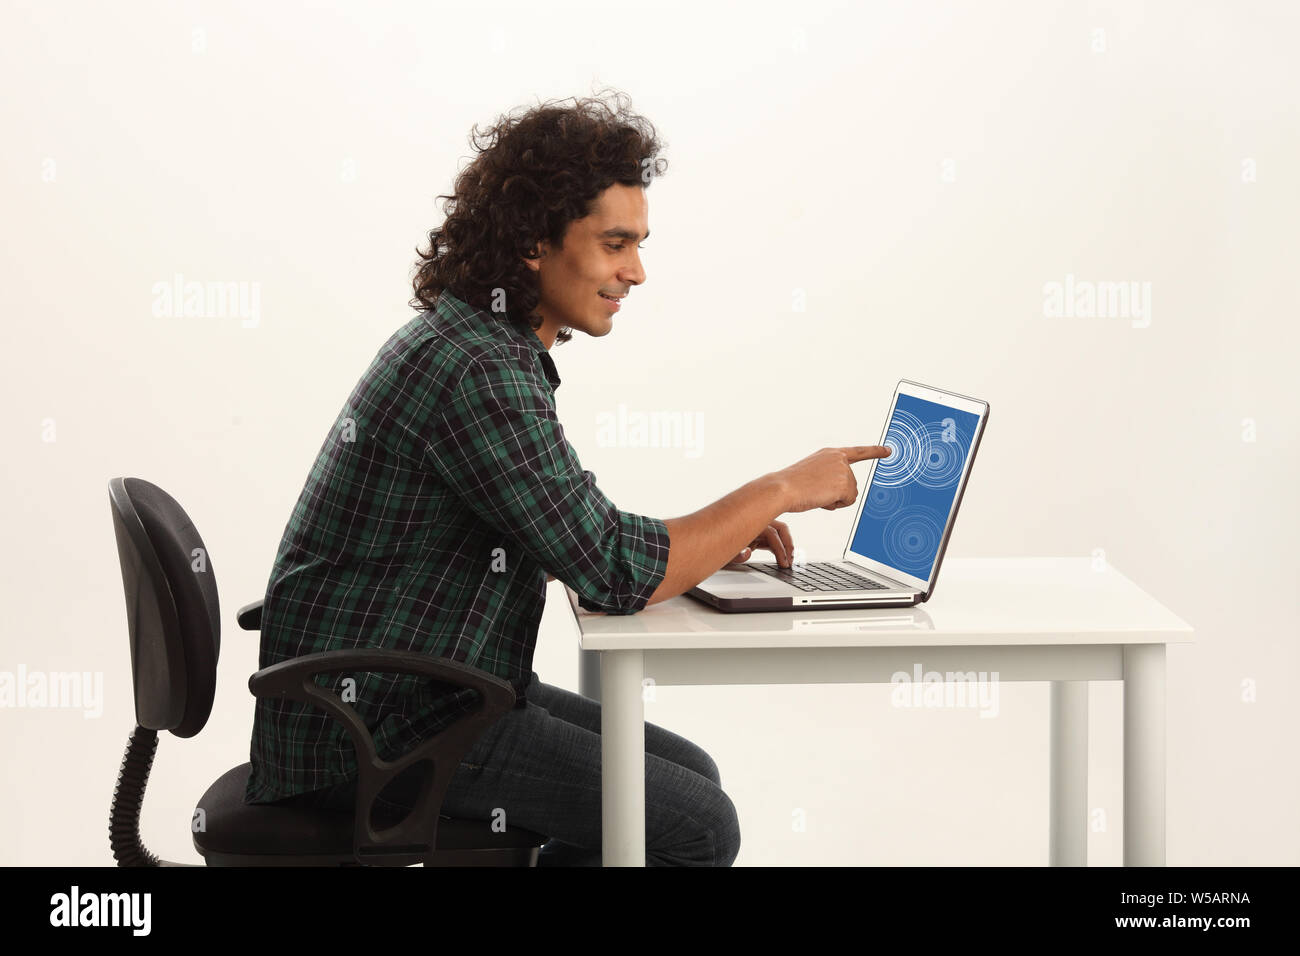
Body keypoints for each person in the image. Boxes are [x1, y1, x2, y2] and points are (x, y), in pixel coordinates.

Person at [243, 89, 889, 866]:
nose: (638, 271)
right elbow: (611, 567)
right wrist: (781, 488)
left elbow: (579, 536)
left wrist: (714, 543)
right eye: (616, 243)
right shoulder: (481, 369)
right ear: (533, 244)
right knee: (695, 823)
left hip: (420, 694)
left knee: (689, 779)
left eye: (640, 244)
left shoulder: (482, 342)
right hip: (386, 725)